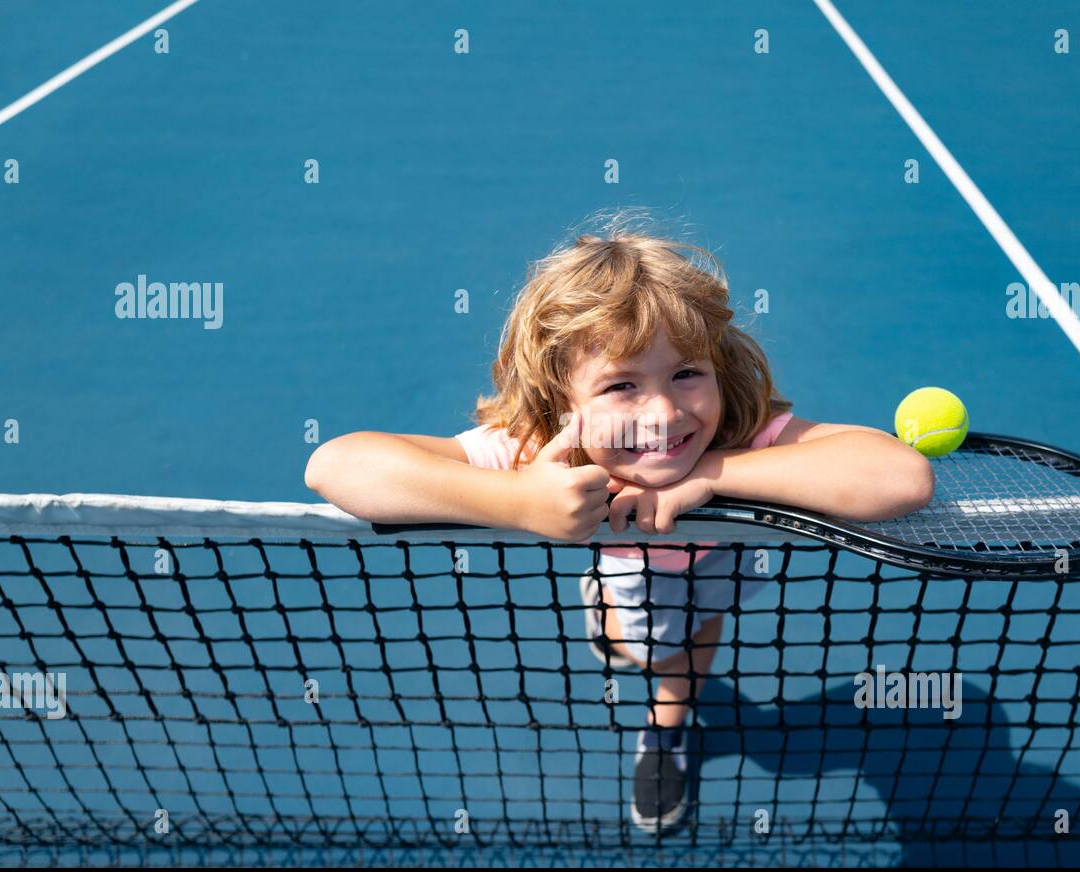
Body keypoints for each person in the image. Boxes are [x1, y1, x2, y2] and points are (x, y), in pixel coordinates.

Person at [304, 216, 933, 832]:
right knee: (649, 647)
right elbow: (336, 465)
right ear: (560, 400)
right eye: (621, 385)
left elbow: (901, 478)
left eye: (687, 373)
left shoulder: (740, 433)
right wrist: (519, 501)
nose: (663, 411)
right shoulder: (538, 447)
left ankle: (666, 727)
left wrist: (714, 476)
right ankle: (621, 636)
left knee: (704, 616)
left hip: (725, 553)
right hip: (636, 570)